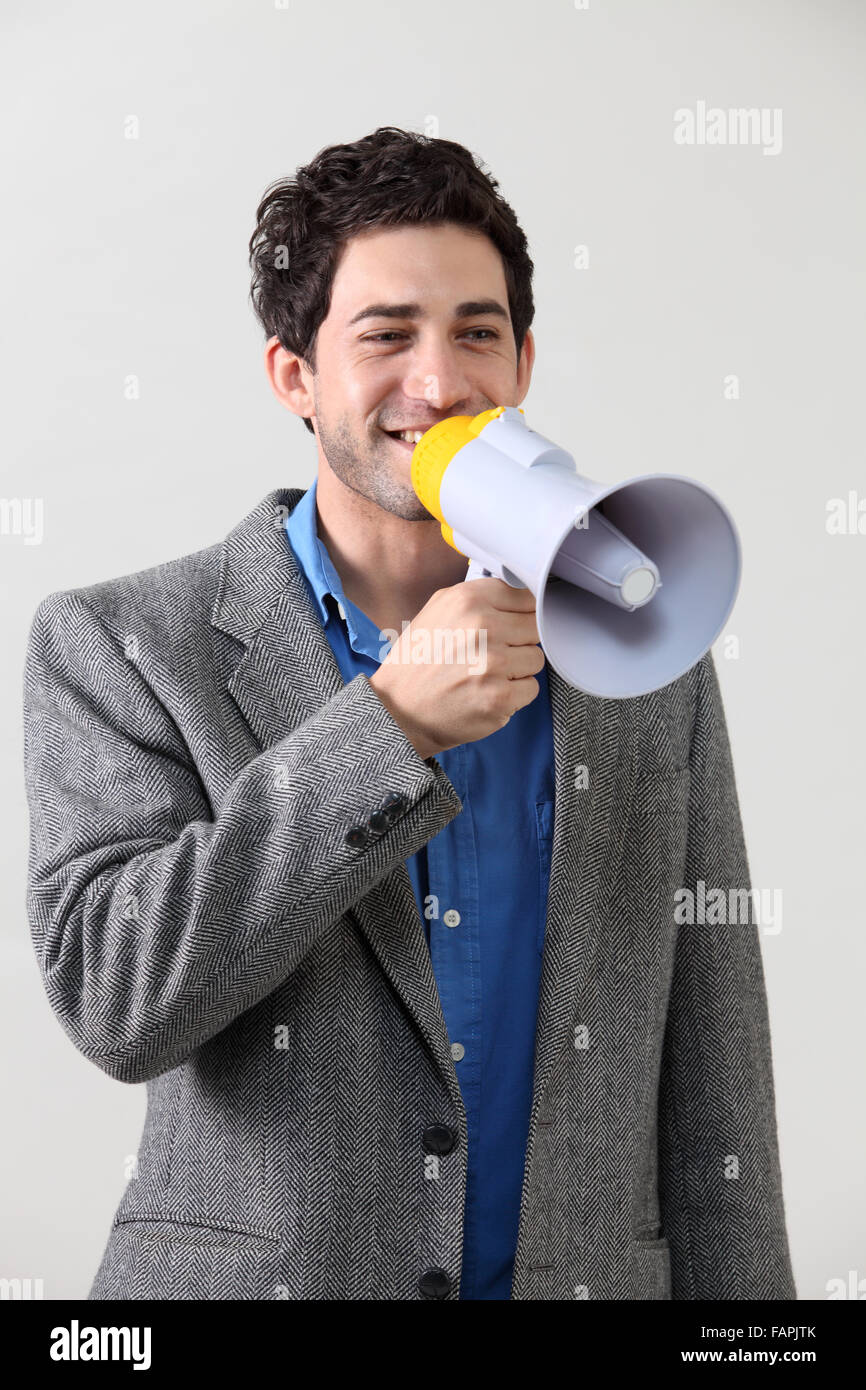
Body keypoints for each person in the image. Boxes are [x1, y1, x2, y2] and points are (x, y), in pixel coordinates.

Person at [23, 126, 795, 1300]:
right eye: (385, 335)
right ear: (294, 374)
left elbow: (715, 1076)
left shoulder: (640, 648)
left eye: (476, 333)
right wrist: (385, 728)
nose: (437, 384)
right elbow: (117, 998)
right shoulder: (120, 643)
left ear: (523, 362)